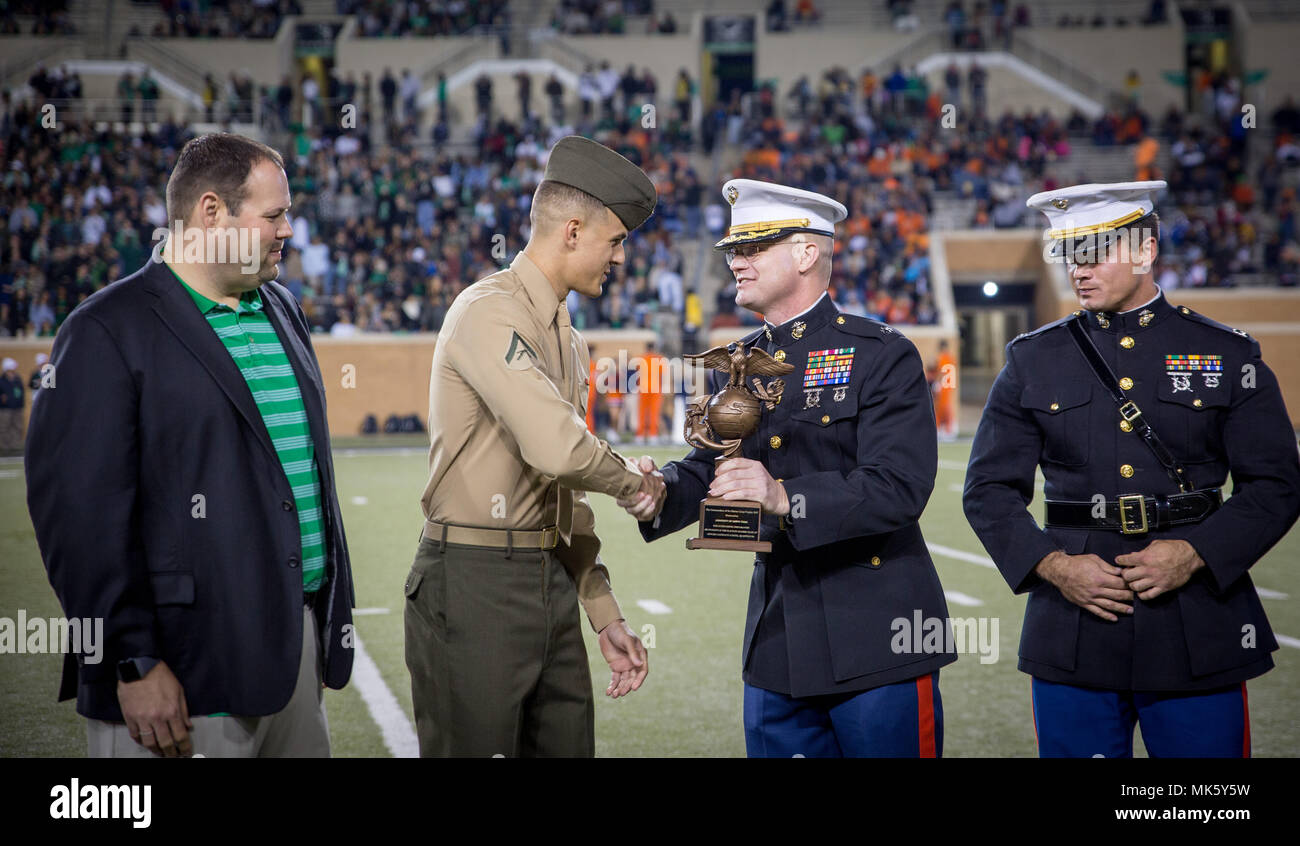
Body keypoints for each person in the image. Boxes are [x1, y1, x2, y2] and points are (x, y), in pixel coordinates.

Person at [25, 133, 355, 758]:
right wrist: (132, 661)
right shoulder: (104, 330)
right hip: (176, 669)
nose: (290, 230)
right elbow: (79, 523)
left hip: (290, 646)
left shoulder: (281, 308)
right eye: (275, 214)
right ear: (211, 212)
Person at [963, 180, 1300, 757]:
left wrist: (1196, 553)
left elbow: (1275, 485)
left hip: (1196, 618)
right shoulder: (1031, 358)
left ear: (1145, 251)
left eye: (1095, 253)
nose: (1079, 270)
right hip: (1073, 620)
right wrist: (1052, 565)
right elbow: (988, 489)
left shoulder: (1225, 354)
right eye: (1072, 254)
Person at [621, 179, 954, 757]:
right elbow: (711, 467)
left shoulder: (882, 353)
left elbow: (899, 487)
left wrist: (784, 498)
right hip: (779, 639)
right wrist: (658, 489)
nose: (737, 261)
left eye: (755, 247)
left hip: (878, 638)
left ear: (807, 253)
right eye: (734, 249)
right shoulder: (742, 363)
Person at [405, 136, 661, 758]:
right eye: (616, 239)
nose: (621, 257)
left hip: (550, 580)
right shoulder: (487, 311)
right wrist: (635, 481)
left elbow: (562, 495)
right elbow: (557, 448)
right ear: (573, 231)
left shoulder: (567, 339)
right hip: (474, 583)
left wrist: (602, 610)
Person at [0, 357, 24, 455]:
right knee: (4, 427)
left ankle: (15, 446)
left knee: (17, 426)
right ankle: (4, 447)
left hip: (17, 407)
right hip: (5, 408)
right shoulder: (1, 381)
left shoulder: (17, 380)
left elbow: (21, 392)